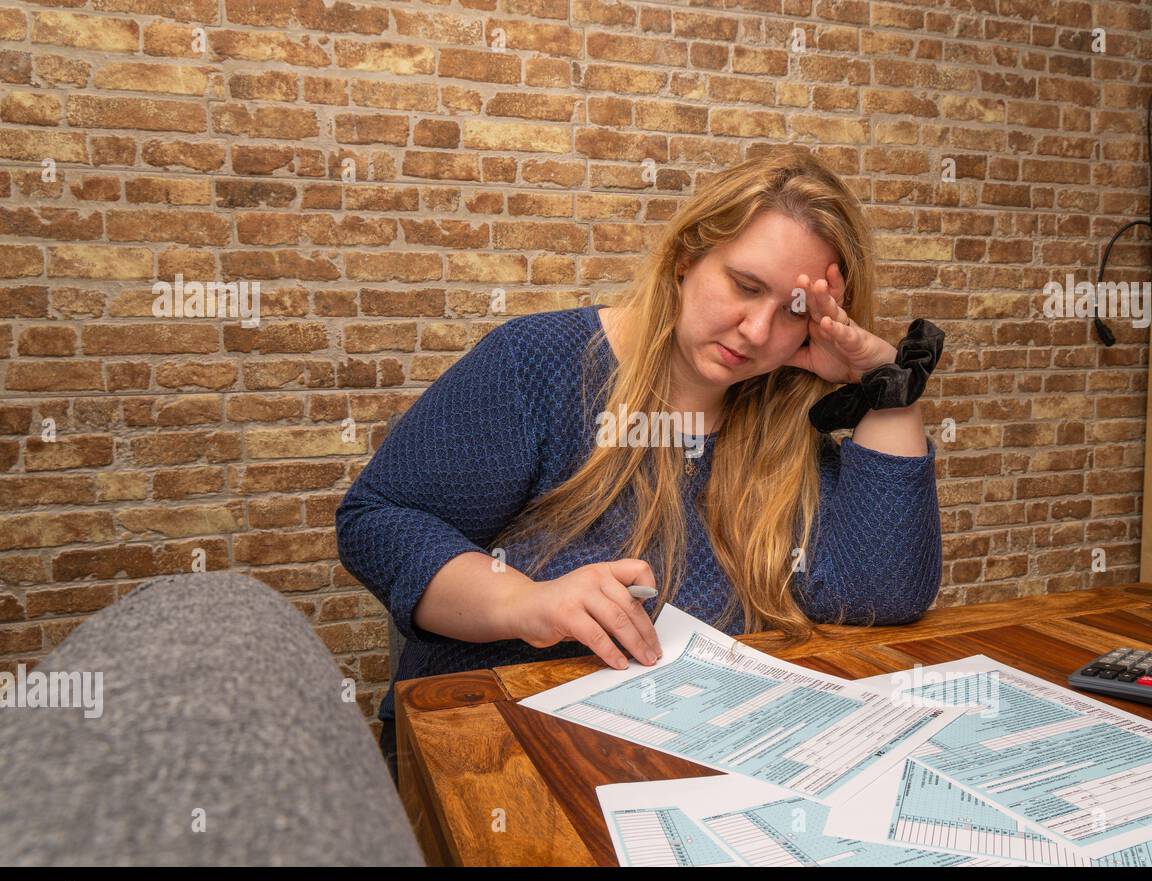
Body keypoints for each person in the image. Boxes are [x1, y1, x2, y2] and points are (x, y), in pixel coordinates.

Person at [335, 150, 943, 784]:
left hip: (701, 760)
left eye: (794, 310)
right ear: (687, 258)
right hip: (499, 751)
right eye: (745, 285)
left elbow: (881, 596)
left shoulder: (783, 413)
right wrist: (526, 602)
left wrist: (887, 387)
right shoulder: (539, 365)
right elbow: (376, 522)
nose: (758, 330)